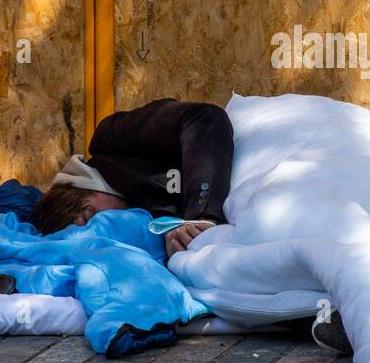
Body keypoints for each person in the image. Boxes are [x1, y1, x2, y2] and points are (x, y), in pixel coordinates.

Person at [31, 99, 234, 257]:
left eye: (91, 216)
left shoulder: (111, 140)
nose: (107, 223)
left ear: (82, 190)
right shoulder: (134, 225)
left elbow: (204, 118)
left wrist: (202, 217)